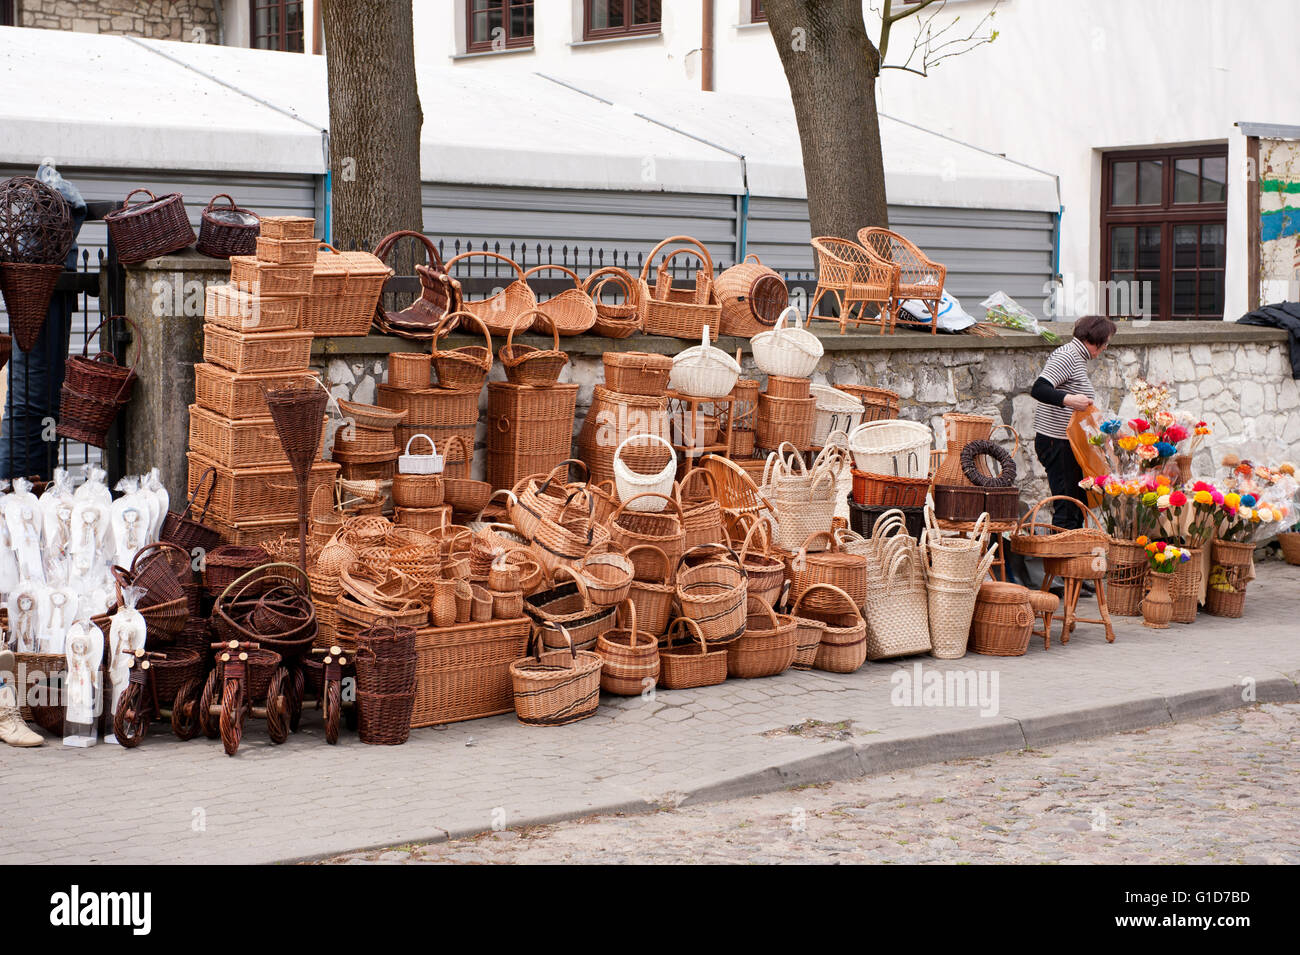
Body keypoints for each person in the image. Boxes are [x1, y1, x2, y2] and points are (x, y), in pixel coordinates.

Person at [1029, 314, 1117, 531]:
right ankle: (1059, 562)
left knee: (1076, 507)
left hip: (1067, 444)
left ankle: (1072, 561)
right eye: (1106, 342)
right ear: (1095, 339)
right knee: (1067, 510)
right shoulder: (1067, 355)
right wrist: (1069, 400)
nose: (1106, 347)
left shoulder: (1077, 356)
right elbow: (1039, 388)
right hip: (1056, 443)